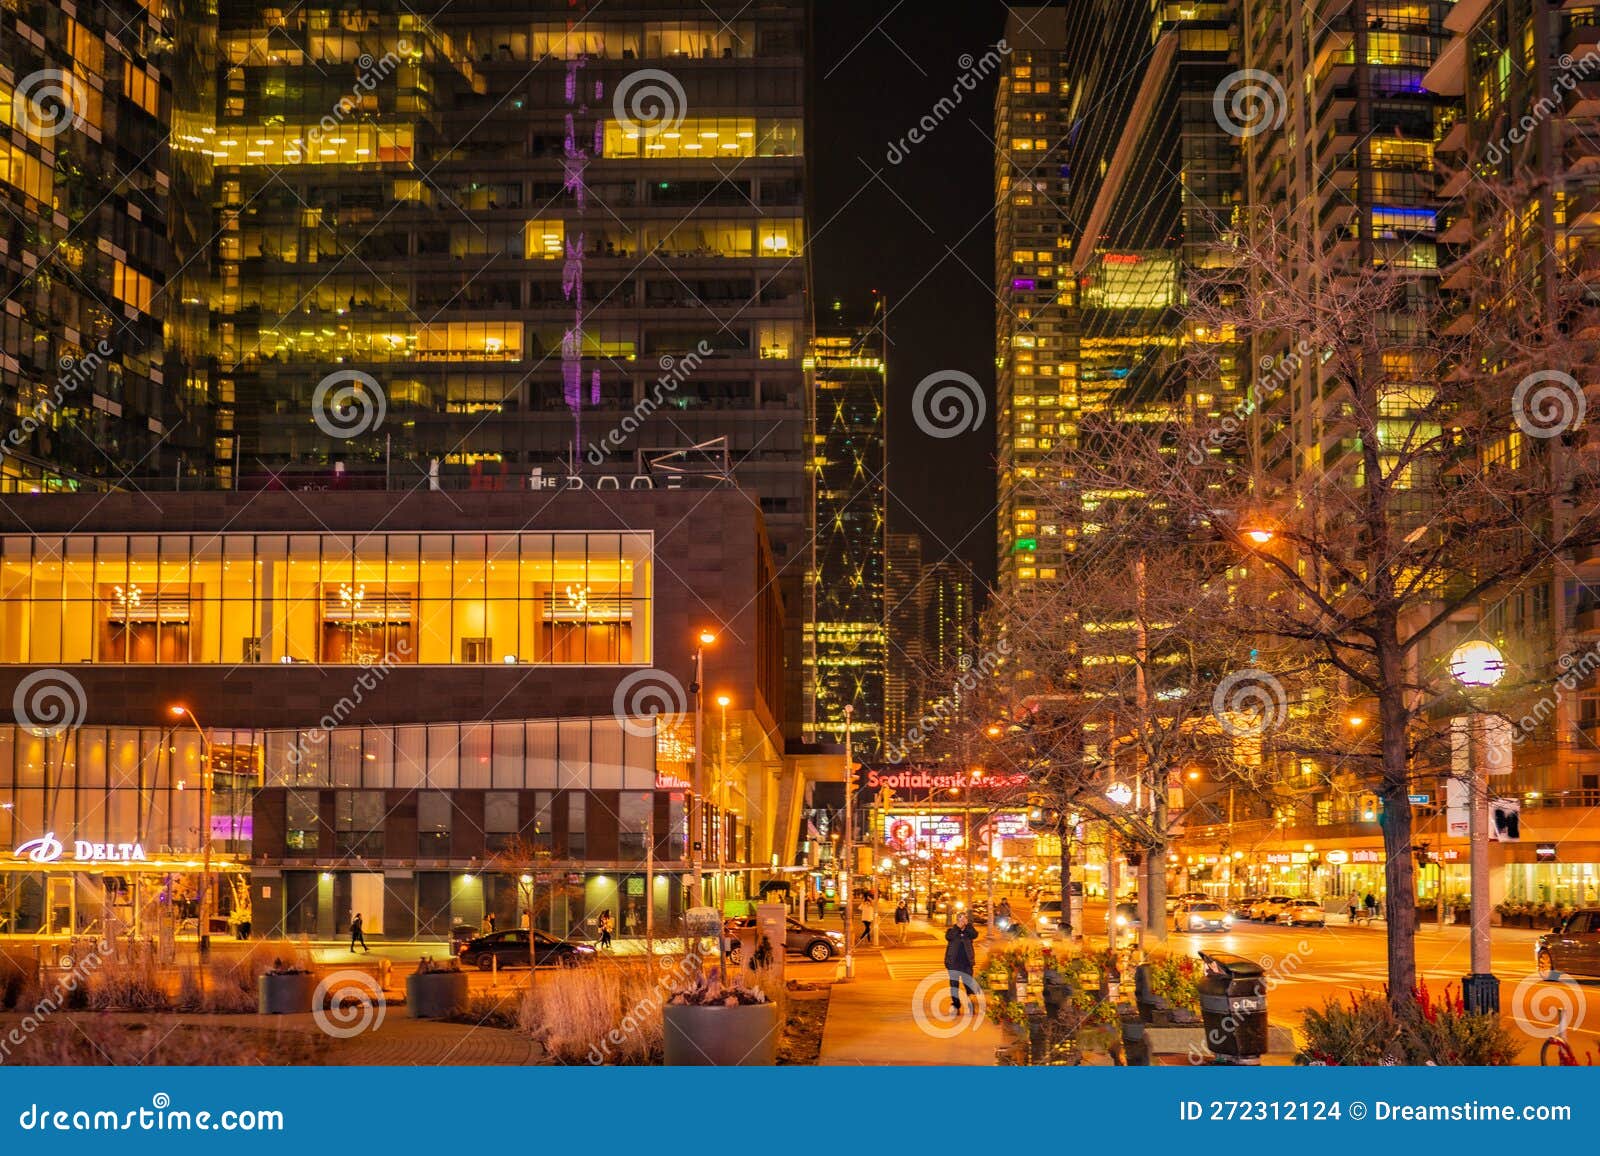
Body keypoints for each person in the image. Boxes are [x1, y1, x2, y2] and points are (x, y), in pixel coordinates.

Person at [944, 912, 980, 1014]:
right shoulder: (951, 931)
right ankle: (956, 1006)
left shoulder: (969, 932)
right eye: (960, 919)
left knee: (968, 985)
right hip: (953, 964)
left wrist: (967, 924)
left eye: (964, 918)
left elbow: (975, 935)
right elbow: (949, 937)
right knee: (954, 986)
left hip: (966, 964)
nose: (962, 921)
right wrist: (957, 926)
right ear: (957, 920)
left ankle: (971, 1005)